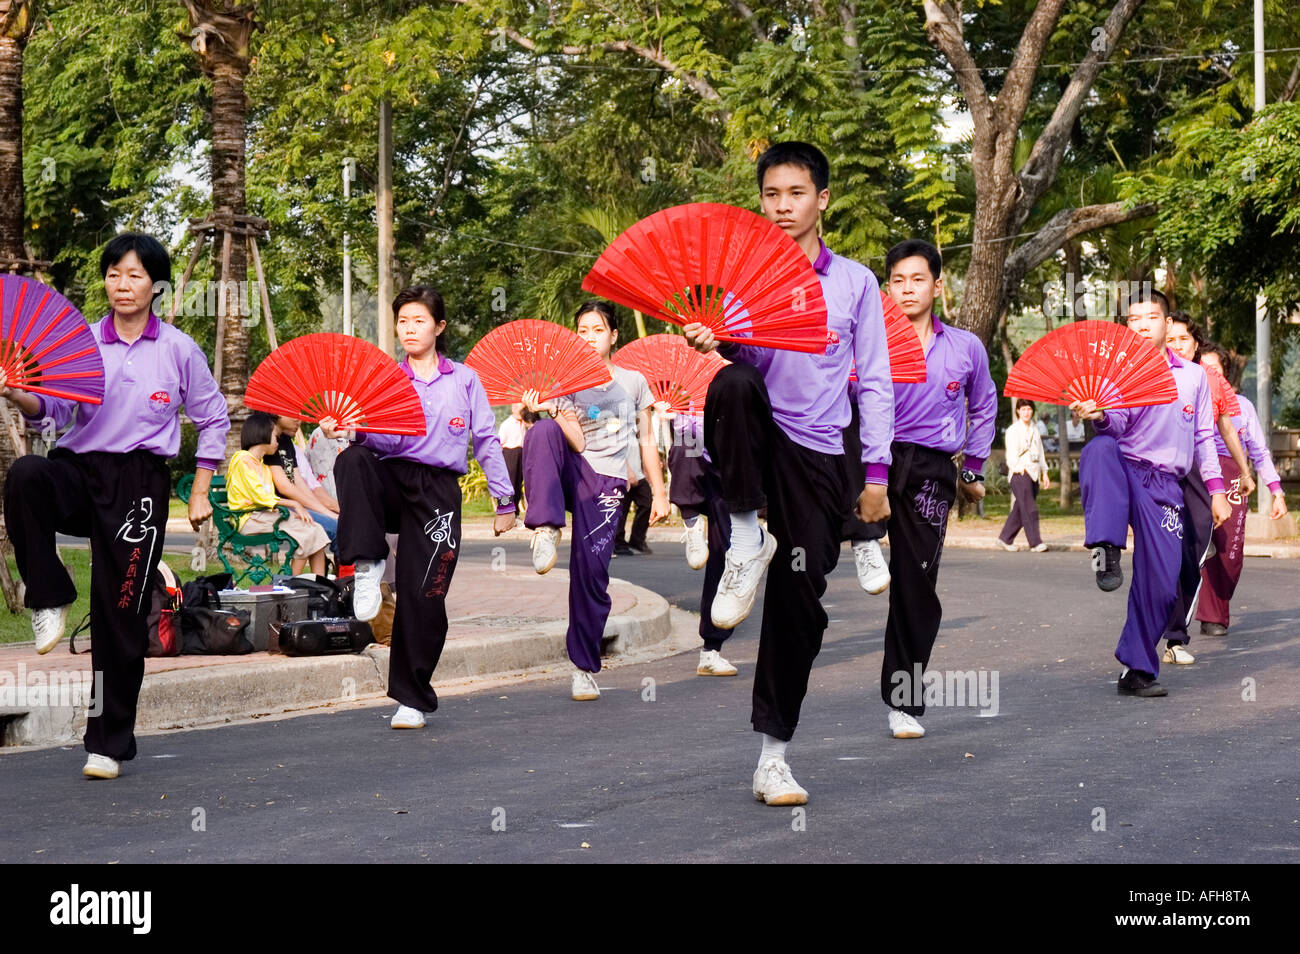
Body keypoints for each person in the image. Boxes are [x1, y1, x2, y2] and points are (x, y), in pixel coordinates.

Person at [684, 141, 894, 806]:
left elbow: (877, 384)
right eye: (771, 194)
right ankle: (746, 535)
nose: (781, 205)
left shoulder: (856, 283)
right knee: (733, 383)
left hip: (819, 453)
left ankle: (773, 756)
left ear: (821, 199)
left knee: (801, 600)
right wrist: (713, 341)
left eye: (795, 193)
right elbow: (743, 358)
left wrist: (877, 476)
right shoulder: (743, 277)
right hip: (758, 436)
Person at [1, 232, 229, 779]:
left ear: (156, 285)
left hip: (139, 486)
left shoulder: (177, 348)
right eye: (113, 274)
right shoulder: (80, 342)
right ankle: (48, 596)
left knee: (119, 614)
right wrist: (15, 393)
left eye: (134, 275)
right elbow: (48, 408)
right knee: (28, 474)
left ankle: (107, 743)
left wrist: (199, 490)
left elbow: (214, 419)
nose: (122, 285)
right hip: (79, 470)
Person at [323, 286, 517, 730]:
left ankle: (411, 698)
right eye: (403, 321)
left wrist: (504, 499)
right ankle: (368, 562)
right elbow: (378, 437)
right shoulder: (385, 378)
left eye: (419, 321)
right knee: (351, 457)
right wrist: (350, 432)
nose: (409, 329)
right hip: (391, 479)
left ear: (439, 327)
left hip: (437, 494)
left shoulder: (465, 380)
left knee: (425, 596)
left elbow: (486, 440)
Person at [1072, 289, 1230, 698]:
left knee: (1162, 585)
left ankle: (1136, 669)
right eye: (1133, 319)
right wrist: (1101, 414)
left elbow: (1204, 438)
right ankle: (1105, 549)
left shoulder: (1193, 376)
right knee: (1099, 448)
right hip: (1124, 468)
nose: (1141, 325)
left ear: (1167, 324)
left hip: (1164, 484)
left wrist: (1215, 489)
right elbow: (1116, 425)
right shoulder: (1116, 372)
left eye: (1150, 317)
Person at [875, 239, 997, 739]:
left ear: (937, 285)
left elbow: (985, 406)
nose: (907, 289)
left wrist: (971, 469)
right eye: (898, 280)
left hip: (930, 471)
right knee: (812, 557)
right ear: (887, 287)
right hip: (874, 460)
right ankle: (860, 545)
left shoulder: (965, 347)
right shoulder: (872, 340)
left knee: (915, 586)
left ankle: (903, 701)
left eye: (917, 279)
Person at [522, 300, 670, 701]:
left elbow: (646, 439)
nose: (588, 338)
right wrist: (551, 408)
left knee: (590, 574)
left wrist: (658, 492)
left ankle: (583, 668)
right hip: (575, 468)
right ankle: (546, 525)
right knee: (541, 432)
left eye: (597, 330)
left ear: (614, 336)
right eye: (582, 330)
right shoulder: (565, 380)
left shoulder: (634, 381)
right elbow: (578, 441)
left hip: (607, 483)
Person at [1158, 312, 1253, 665]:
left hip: (1200, 472)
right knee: (1163, 554)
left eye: (1183, 339)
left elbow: (1225, 428)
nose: (1177, 346)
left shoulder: (1209, 379)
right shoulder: (1150, 373)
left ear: (1196, 344)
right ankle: (1164, 631)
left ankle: (1176, 636)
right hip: (1161, 472)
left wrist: (1244, 472)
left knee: (1191, 554)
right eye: (1171, 340)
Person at [1195, 341, 1288, 636]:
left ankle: (1216, 601)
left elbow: (1259, 451)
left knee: (1229, 553)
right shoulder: (1188, 401)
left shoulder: (1243, 407)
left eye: (1214, 369)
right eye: (1203, 368)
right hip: (1198, 474)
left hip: (1234, 477)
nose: (1208, 374)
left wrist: (1276, 490)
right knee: (1199, 545)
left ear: (1225, 374)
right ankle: (1210, 615)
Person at [664, 407, 740, 676]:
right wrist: (664, 411)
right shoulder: (683, 376)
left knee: (726, 554)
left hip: (730, 463)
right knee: (686, 442)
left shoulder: (739, 370)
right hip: (694, 462)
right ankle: (691, 521)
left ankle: (711, 651)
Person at [226, 413, 331, 576]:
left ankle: (322, 585)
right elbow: (260, 495)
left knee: (317, 530)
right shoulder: (242, 459)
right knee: (308, 532)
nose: (277, 441)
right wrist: (294, 504)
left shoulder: (262, 464)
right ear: (263, 434)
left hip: (264, 515)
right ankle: (291, 582)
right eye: (275, 437)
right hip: (249, 518)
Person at [268, 415, 340, 548]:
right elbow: (284, 487)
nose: (298, 420)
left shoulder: (286, 441)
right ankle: (348, 568)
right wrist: (326, 512)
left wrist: (323, 510)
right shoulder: (268, 441)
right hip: (277, 507)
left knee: (340, 525)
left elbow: (299, 482)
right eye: (292, 414)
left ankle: (346, 567)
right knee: (337, 528)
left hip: (294, 505)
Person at [999, 398, 1051, 551]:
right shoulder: (1013, 430)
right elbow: (1010, 454)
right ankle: (1035, 543)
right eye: (1023, 410)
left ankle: (1005, 539)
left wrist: (1045, 473)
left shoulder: (1035, 429)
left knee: (1020, 509)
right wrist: (1017, 467)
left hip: (1034, 473)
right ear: (1017, 411)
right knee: (1030, 508)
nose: (1026, 413)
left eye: (1029, 409)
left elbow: (1040, 453)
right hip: (1019, 473)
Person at [497, 402, 528, 511]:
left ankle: (515, 513)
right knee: (508, 484)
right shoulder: (507, 424)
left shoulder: (524, 424)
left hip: (521, 453)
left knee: (518, 484)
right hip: (509, 454)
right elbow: (500, 442)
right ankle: (504, 509)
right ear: (514, 409)